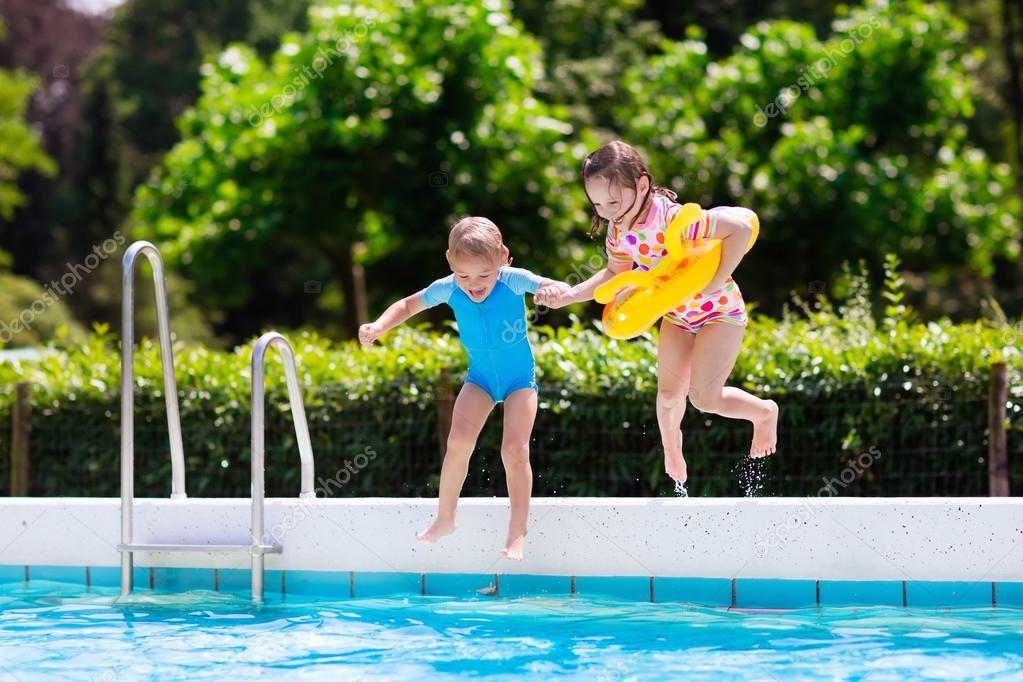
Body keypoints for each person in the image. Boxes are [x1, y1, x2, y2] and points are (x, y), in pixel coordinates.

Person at [546, 140, 778, 485]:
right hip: (677, 315)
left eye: (613, 200)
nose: (607, 211)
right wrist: (569, 295)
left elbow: (740, 229)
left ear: (641, 185)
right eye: (597, 203)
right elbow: (613, 273)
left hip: (720, 313)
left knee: (704, 398)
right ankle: (672, 450)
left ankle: (764, 413)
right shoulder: (617, 231)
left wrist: (715, 281)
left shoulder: (674, 220)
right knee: (669, 396)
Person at [359, 216, 570, 560]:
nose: (474, 284)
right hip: (480, 380)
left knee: (513, 451)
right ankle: (445, 518)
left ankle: (517, 532)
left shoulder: (513, 280)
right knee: (457, 441)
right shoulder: (449, 288)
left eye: (484, 275)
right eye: (464, 275)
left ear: (502, 257)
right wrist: (380, 325)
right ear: (450, 263)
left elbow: (551, 285)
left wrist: (553, 290)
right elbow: (409, 304)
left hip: (519, 381)